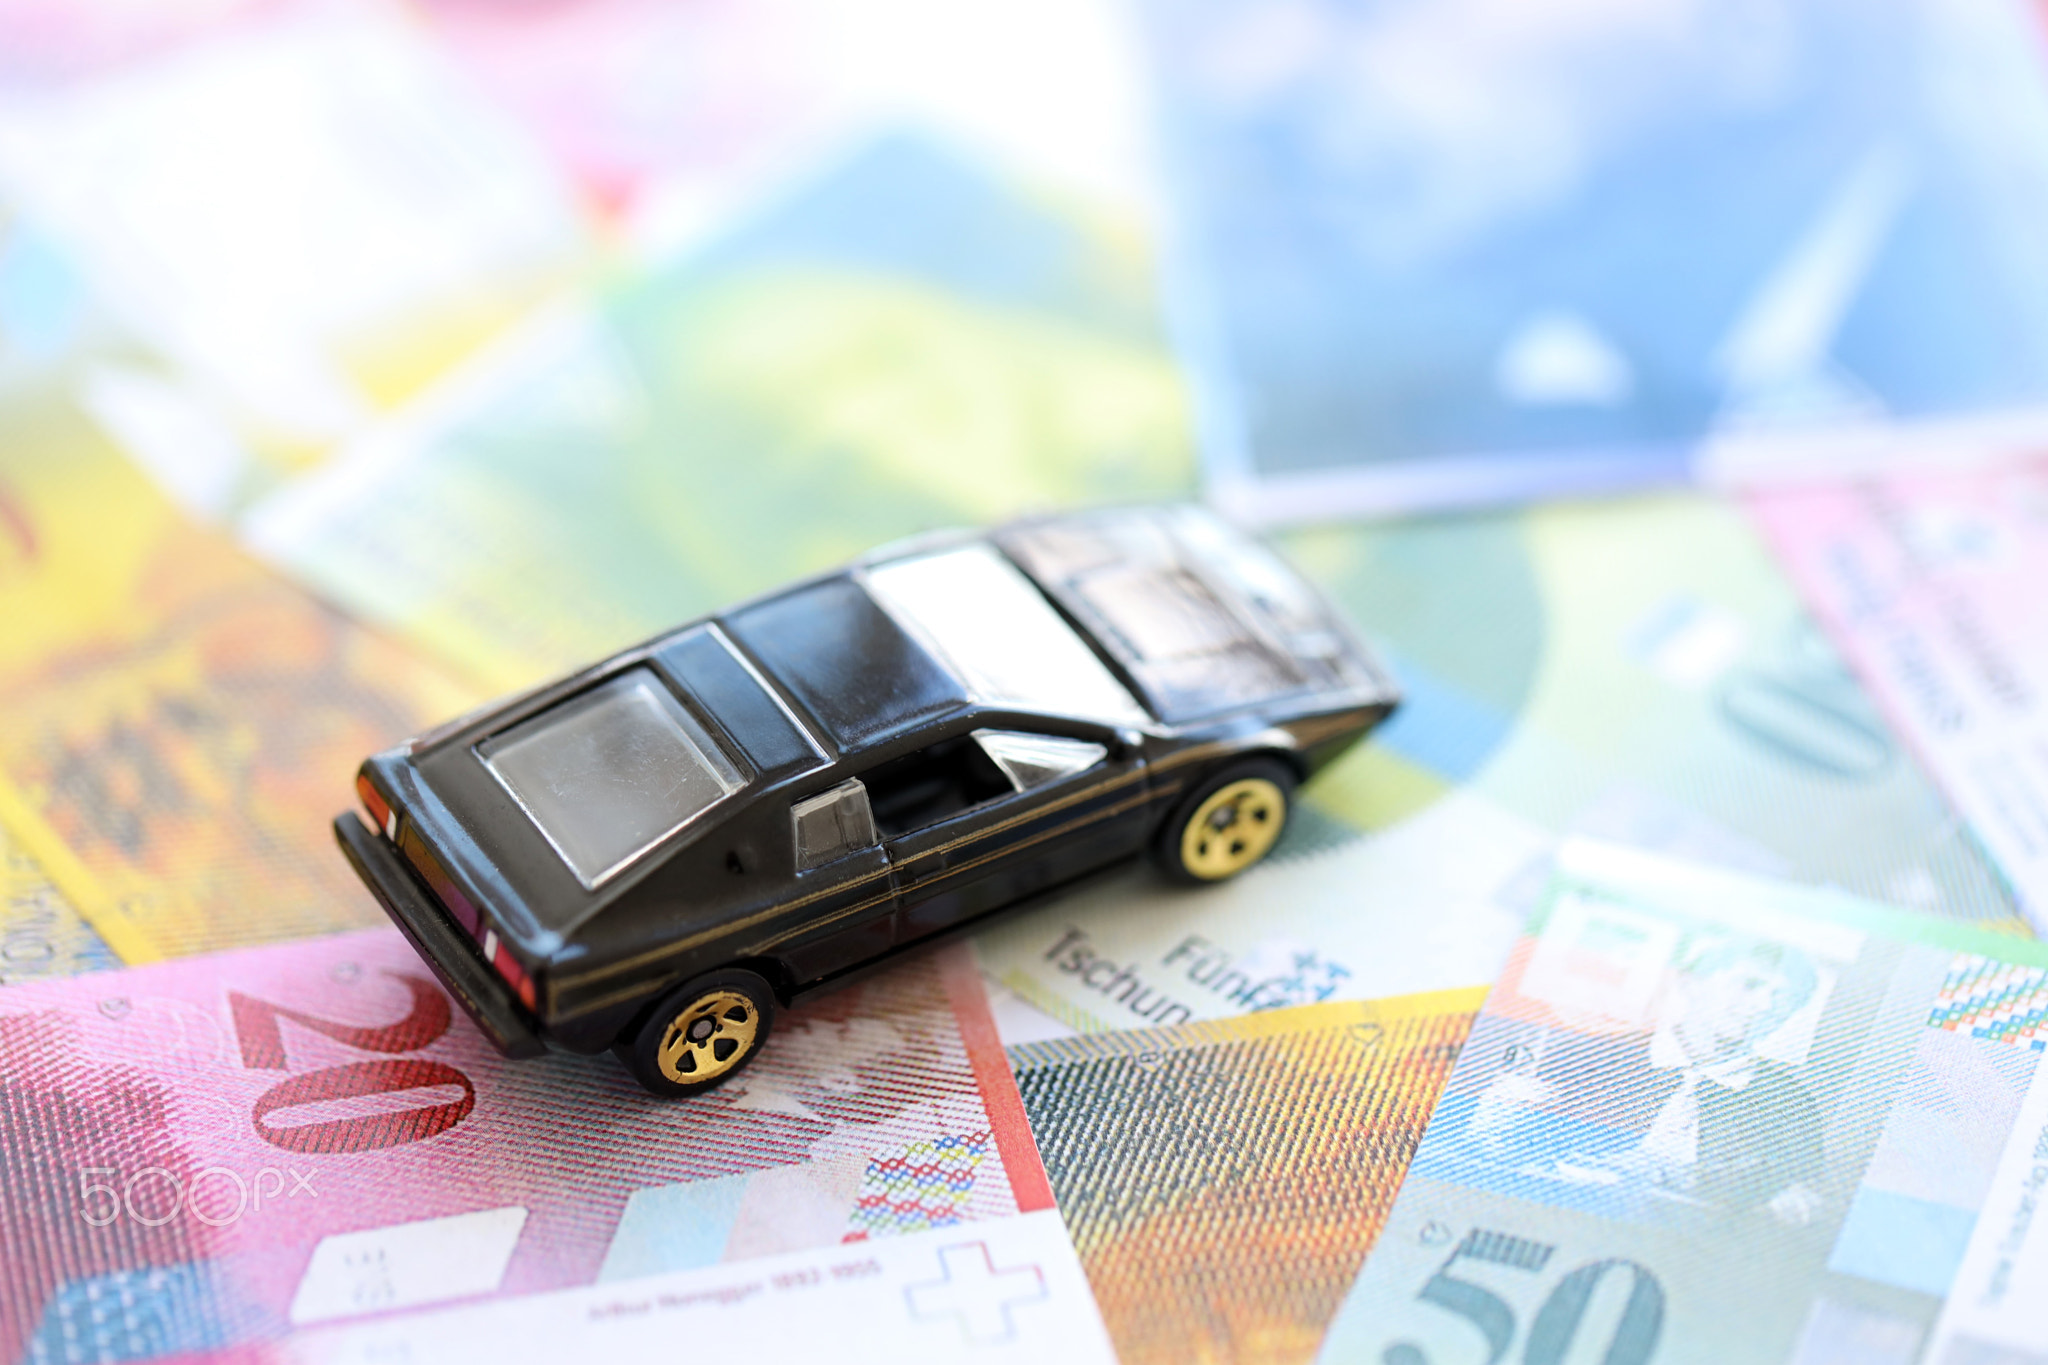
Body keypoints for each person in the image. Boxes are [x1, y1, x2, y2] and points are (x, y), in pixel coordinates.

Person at [1468, 936, 1826, 1226]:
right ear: (1691, 983)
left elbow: (1802, 1202)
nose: (1764, 1005)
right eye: (1749, 984)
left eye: (1784, 998)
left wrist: (1774, 1207)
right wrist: (1497, 1118)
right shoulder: (1588, 1053)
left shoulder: (1790, 1103)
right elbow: (1497, 1150)